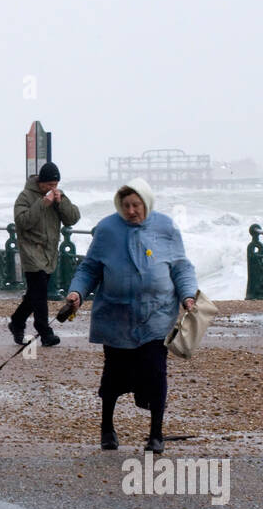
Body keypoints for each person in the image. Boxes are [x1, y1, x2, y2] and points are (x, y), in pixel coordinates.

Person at [65, 178, 197, 453]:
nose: (131, 211)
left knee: (157, 373)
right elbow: (89, 268)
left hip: (156, 315)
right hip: (116, 317)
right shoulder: (107, 229)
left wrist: (187, 296)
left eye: (136, 205)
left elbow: (181, 267)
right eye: (125, 205)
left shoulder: (166, 228)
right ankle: (107, 428)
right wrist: (77, 293)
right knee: (114, 375)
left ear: (146, 203)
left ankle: (156, 434)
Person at [10, 161, 80, 347]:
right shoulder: (25, 196)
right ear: (40, 182)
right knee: (39, 295)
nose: (52, 188)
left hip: (49, 253)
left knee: (34, 294)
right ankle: (44, 331)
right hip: (31, 251)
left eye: (55, 185)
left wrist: (61, 202)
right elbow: (22, 222)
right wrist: (42, 204)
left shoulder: (58, 196)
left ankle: (17, 321)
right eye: (49, 185)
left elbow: (72, 218)